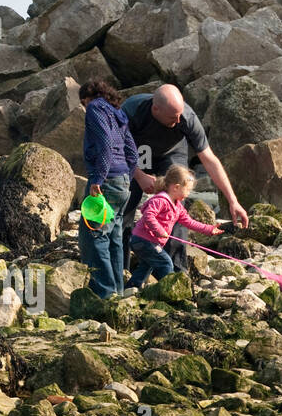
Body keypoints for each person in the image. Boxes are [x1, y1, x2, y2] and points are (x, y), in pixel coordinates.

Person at [121, 84, 250, 274]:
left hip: (171, 153)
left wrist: (233, 200)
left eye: (180, 114)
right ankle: (121, 271)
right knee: (126, 203)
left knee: (176, 206)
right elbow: (115, 148)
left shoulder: (186, 118)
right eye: (173, 117)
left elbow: (210, 160)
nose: (179, 120)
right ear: (155, 109)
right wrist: (139, 175)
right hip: (136, 152)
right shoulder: (132, 111)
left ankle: (175, 272)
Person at [78, 80, 157, 298]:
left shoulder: (95, 108)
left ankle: (104, 293)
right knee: (113, 236)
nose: (85, 108)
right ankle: (118, 290)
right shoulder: (117, 112)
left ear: (88, 98)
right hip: (122, 181)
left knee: (94, 236)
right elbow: (132, 150)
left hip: (106, 180)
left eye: (83, 104)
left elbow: (103, 143)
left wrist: (98, 178)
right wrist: (127, 175)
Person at [126, 165, 223, 289]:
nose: (188, 194)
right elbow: (148, 215)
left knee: (146, 266)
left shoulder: (177, 206)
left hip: (149, 242)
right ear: (176, 187)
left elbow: (189, 222)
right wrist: (159, 230)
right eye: (187, 190)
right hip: (142, 240)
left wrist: (209, 229)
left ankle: (131, 288)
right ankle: (171, 290)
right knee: (165, 263)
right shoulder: (161, 200)